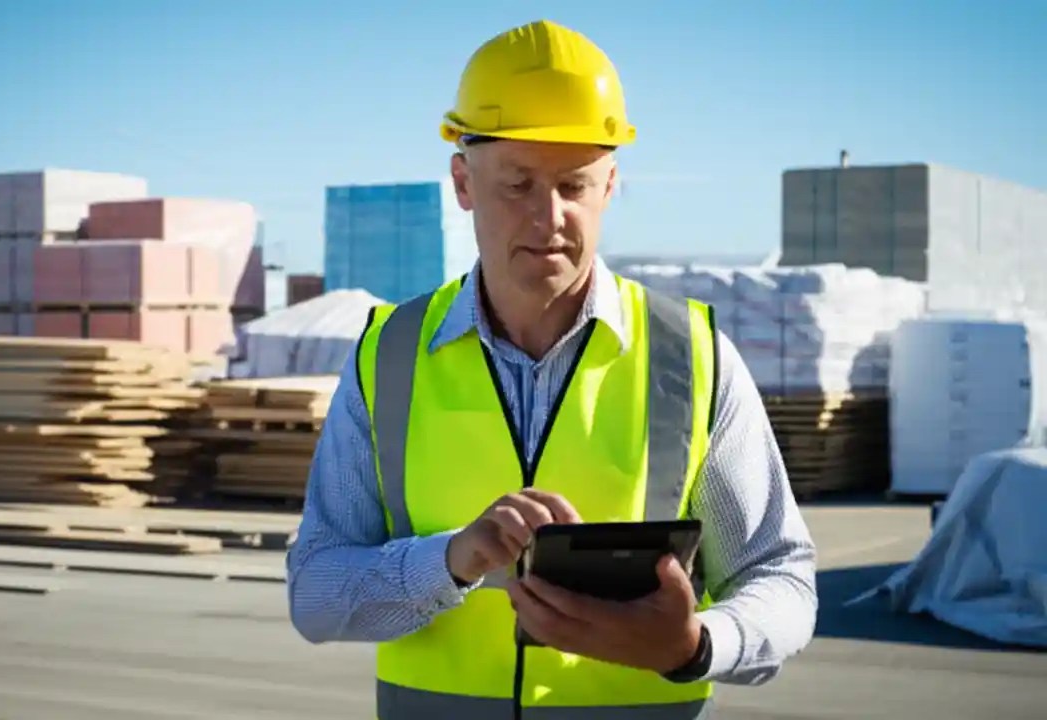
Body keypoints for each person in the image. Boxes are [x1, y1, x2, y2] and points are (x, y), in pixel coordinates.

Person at [286, 18, 817, 720]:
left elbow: (780, 576)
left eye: (574, 184)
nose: (549, 217)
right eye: (518, 184)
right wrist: (451, 560)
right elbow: (316, 594)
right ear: (463, 181)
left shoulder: (693, 357)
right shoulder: (390, 355)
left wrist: (693, 644)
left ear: (611, 183)